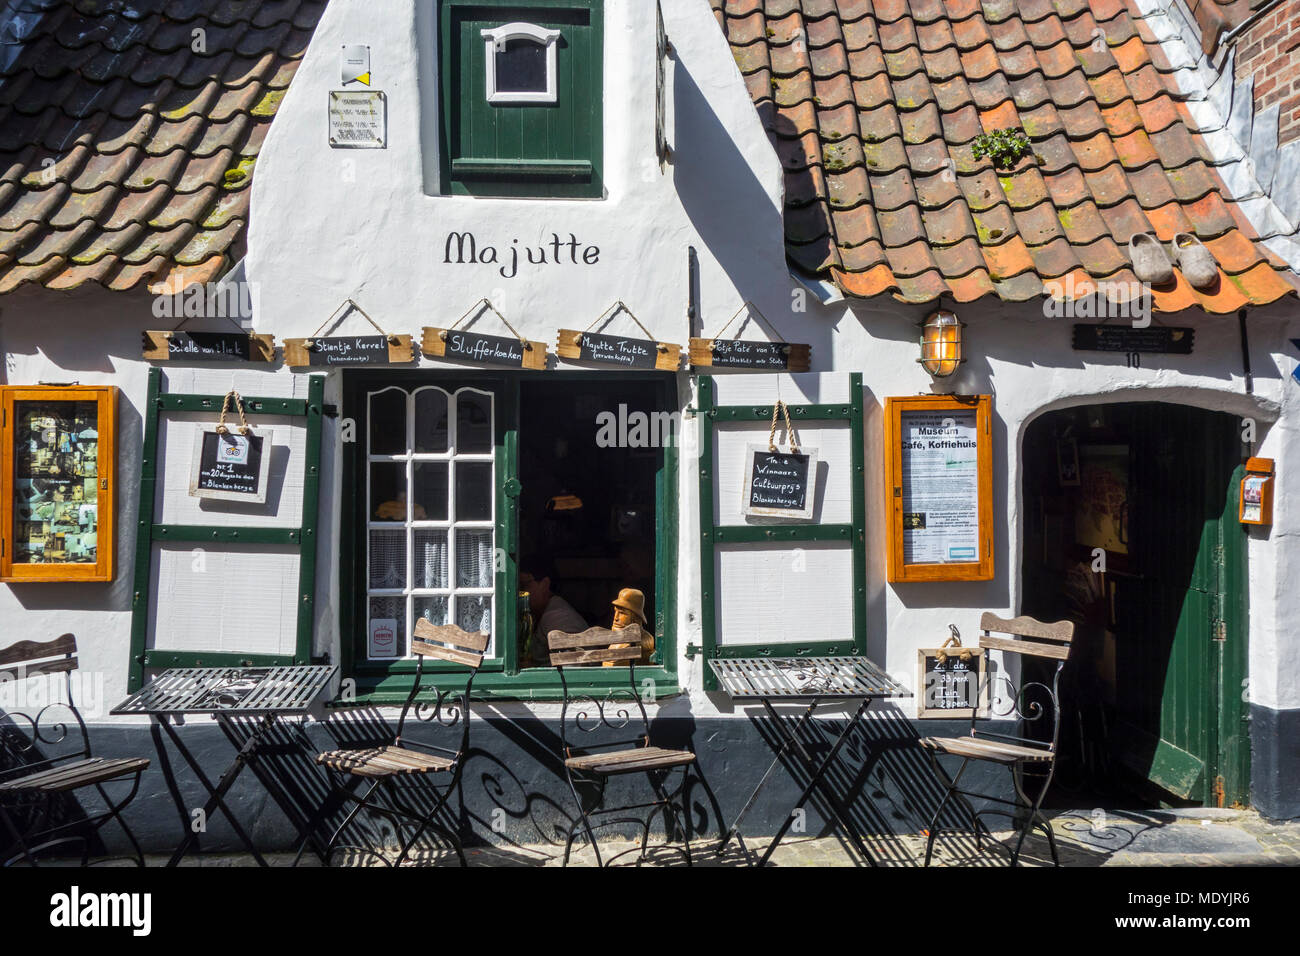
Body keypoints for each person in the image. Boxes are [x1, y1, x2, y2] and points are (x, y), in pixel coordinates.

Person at [519, 557, 587, 663]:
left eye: (524, 585)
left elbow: (573, 668)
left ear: (545, 584)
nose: (519, 592)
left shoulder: (559, 617)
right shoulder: (540, 614)